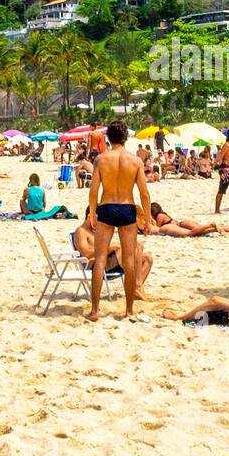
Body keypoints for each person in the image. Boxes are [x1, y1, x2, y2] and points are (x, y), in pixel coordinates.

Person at [86, 120, 151, 321]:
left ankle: (95, 310)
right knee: (130, 260)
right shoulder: (136, 161)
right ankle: (129, 310)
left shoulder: (101, 160)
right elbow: (144, 193)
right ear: (125, 138)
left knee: (100, 260)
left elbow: (94, 191)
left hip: (106, 206)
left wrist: (92, 214)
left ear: (108, 138)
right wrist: (148, 220)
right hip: (127, 207)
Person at [75, 209, 153, 302]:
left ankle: (135, 288)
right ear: (90, 216)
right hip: (98, 265)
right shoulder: (81, 231)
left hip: (109, 260)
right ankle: (136, 287)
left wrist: (112, 246)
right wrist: (109, 248)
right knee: (134, 246)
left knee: (147, 257)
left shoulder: (96, 231)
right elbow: (86, 254)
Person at [147, 202, 229, 236]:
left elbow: (157, 228)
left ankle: (210, 224)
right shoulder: (163, 214)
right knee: (202, 230)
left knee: (194, 232)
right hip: (182, 223)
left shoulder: (159, 216)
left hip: (180, 226)